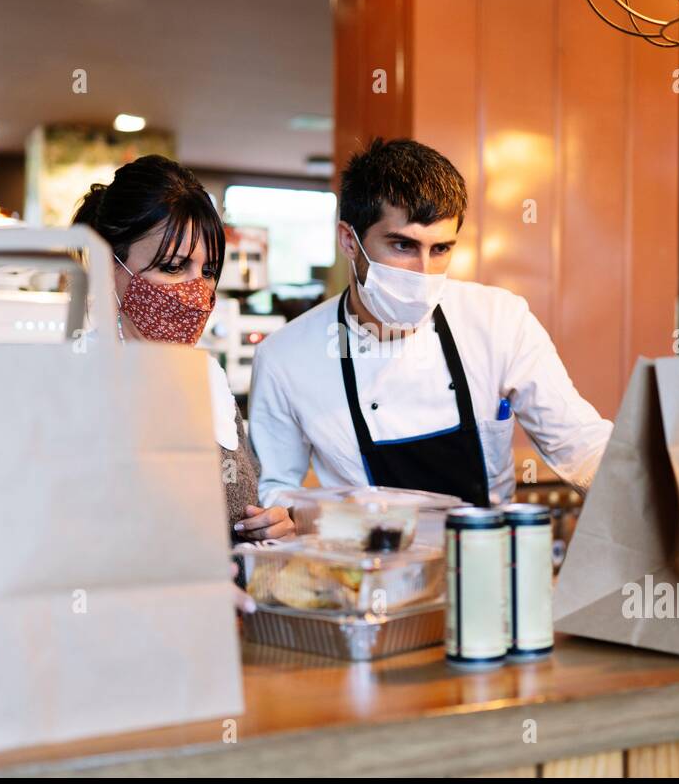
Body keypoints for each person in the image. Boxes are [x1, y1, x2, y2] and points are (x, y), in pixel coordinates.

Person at [248, 138, 613, 508]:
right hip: (369, 563)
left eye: (440, 249)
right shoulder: (285, 357)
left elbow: (579, 443)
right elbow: (275, 490)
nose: (424, 273)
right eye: (403, 246)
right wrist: (290, 515)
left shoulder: (499, 320)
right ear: (349, 241)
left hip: (487, 556)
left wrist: (649, 494)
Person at [72, 155, 294, 543]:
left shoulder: (208, 374)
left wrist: (274, 523)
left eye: (208, 272)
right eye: (174, 267)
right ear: (110, 266)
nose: (197, 293)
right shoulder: (74, 383)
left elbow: (241, 507)